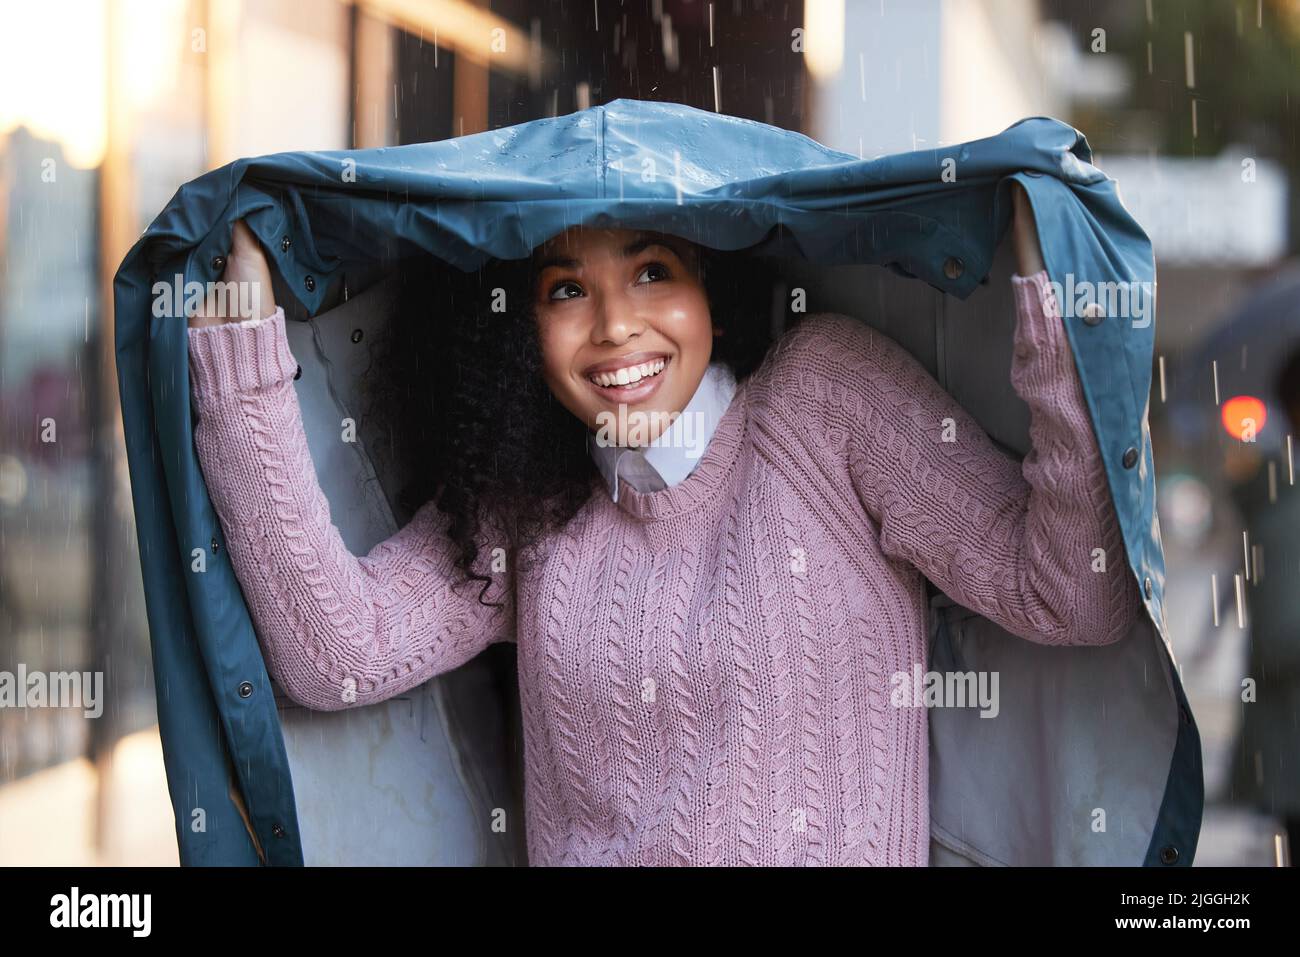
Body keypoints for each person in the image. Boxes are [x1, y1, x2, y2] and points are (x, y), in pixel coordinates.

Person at [185, 181, 1141, 866]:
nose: (613, 325)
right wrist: (242, 363)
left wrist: (1058, 307)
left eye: (651, 271)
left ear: (712, 297)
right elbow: (334, 650)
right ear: (520, 329)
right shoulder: (529, 502)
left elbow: (1076, 593)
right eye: (566, 289)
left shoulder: (824, 398)